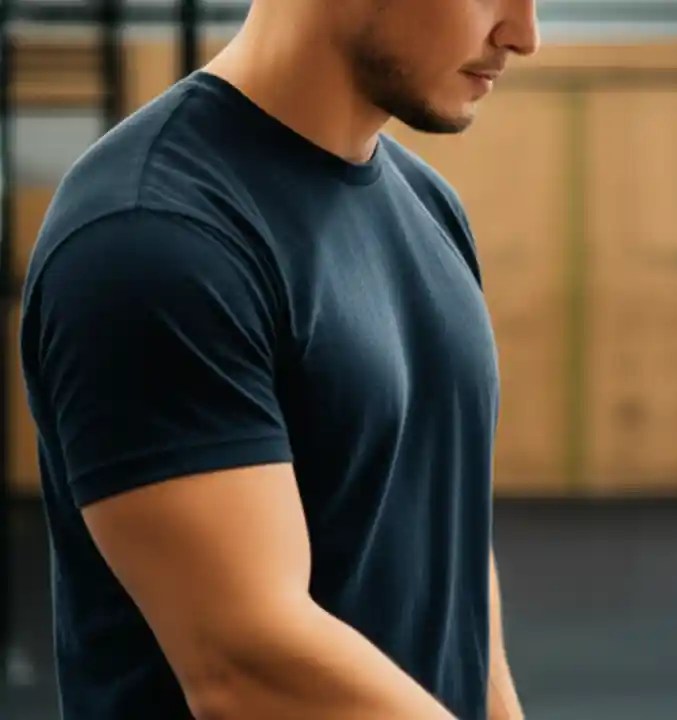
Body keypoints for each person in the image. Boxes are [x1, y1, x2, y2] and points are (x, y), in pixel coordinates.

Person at [18, 0, 539, 716]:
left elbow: (453, 560)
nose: (524, 35)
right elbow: (247, 662)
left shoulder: (429, 204)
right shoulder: (150, 239)